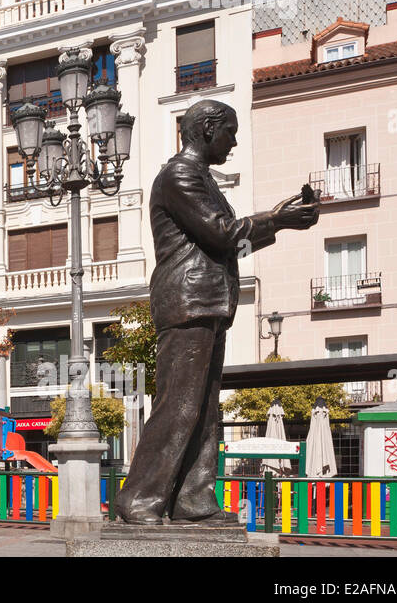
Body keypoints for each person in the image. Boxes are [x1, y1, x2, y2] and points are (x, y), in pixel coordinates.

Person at [114, 100, 317, 524]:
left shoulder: (201, 178)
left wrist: (277, 222)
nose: (235, 140)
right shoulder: (179, 175)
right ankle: (139, 499)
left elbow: (226, 244)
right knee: (180, 405)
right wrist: (277, 220)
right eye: (230, 131)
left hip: (206, 302)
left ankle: (193, 500)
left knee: (205, 407)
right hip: (189, 302)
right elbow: (222, 234)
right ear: (207, 129)